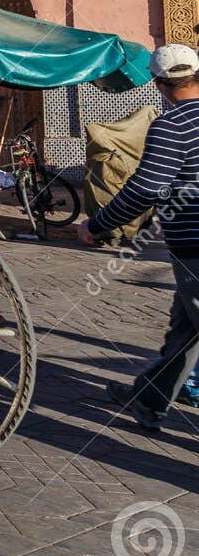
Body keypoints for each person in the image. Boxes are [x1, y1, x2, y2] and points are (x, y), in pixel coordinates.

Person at [80, 44, 199, 431]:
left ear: (159, 82)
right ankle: (148, 398)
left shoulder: (172, 125)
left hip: (194, 246)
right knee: (184, 331)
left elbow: (145, 188)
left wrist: (97, 224)